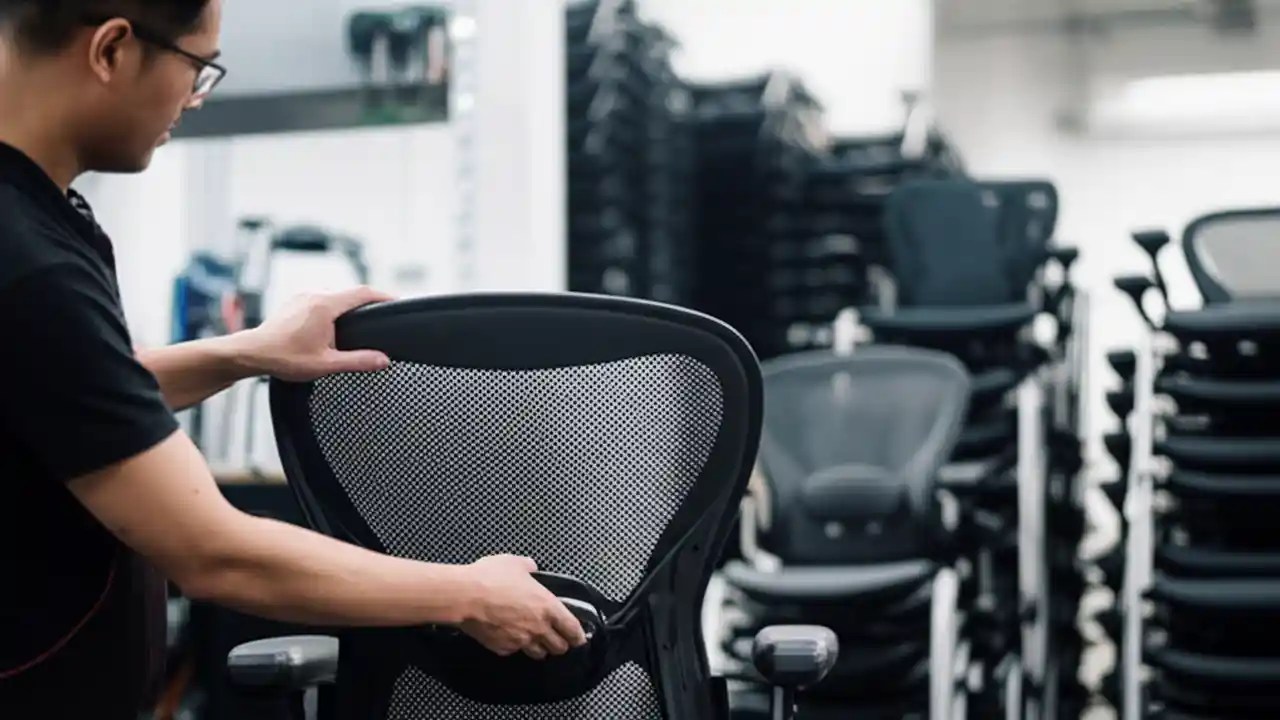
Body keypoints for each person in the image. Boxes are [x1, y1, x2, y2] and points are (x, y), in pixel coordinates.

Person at [0, 1, 587, 716]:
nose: (193, 97)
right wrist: (466, 593)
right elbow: (212, 551)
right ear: (112, 50)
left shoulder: (34, 228)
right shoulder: (29, 263)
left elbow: (59, 394)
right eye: (197, 67)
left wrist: (246, 352)